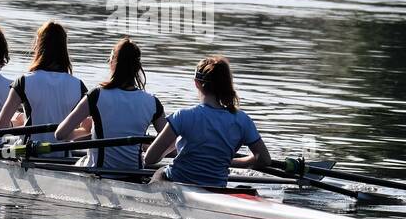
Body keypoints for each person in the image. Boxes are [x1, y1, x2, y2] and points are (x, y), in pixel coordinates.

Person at [143, 55, 269, 188]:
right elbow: (264, 159)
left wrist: (170, 147)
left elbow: (150, 159)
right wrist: (230, 162)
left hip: (178, 183)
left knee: (160, 171)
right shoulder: (242, 119)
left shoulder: (183, 116)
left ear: (196, 83)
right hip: (216, 187)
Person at [55, 38, 166, 171]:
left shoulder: (96, 95)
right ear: (137, 68)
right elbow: (171, 143)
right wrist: (151, 148)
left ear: (113, 62)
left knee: (81, 161)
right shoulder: (153, 102)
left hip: (99, 173)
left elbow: (60, 134)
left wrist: (85, 130)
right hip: (135, 174)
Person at [0, 21, 88, 144]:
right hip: (62, 156)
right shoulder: (79, 86)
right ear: (64, 48)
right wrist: (68, 134)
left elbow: (0, 127)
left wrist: (19, 124)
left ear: (38, 46)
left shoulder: (23, 81)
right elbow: (89, 128)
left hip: (28, 154)